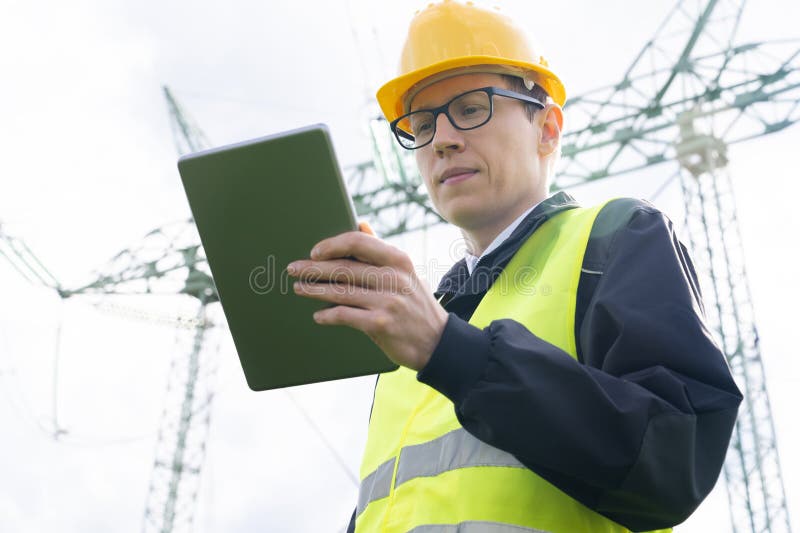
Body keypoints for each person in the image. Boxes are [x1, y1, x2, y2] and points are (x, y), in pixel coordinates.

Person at [286, 1, 742, 531]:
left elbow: (674, 462)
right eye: (422, 121)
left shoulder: (616, 238)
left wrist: (449, 350)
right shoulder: (408, 333)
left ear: (547, 128)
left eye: (471, 107)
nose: (442, 139)